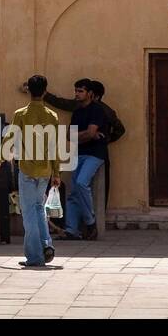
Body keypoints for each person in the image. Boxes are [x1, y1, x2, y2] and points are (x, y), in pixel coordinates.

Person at [5, 75, 59, 268]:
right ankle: (46, 246)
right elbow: (55, 147)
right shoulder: (52, 116)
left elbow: (10, 138)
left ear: (29, 90)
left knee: (29, 212)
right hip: (45, 170)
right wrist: (57, 173)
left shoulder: (21, 114)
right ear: (45, 91)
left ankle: (35, 256)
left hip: (27, 169)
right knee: (38, 209)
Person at [56, 79, 110, 241]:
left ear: (90, 94)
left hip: (95, 154)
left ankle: (90, 222)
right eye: (76, 91)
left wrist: (85, 135)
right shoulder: (77, 112)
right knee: (73, 192)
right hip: (79, 153)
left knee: (81, 183)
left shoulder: (97, 110)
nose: (77, 94)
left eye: (80, 91)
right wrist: (86, 135)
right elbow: (70, 136)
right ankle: (72, 229)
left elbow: (90, 133)